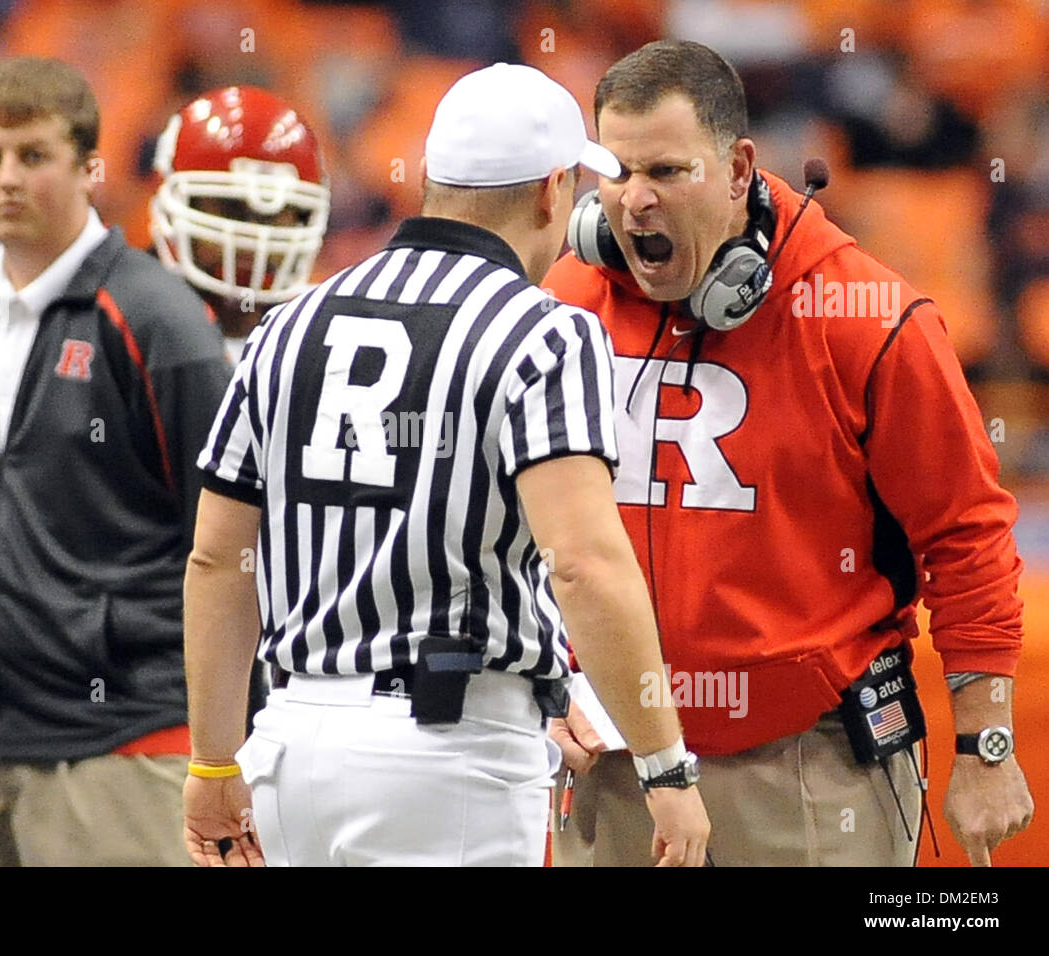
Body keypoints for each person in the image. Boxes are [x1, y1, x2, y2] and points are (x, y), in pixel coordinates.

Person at [181, 62, 711, 868]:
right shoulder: (543, 332)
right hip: (447, 750)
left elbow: (218, 559)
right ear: (550, 192)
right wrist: (664, 763)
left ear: (430, 179)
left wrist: (214, 759)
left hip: (289, 744)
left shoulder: (288, 325)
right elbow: (583, 565)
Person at [546, 40, 1033, 867]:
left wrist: (986, 748)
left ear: (739, 170)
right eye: (616, 172)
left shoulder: (863, 315)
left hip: (809, 773)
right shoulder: (568, 302)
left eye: (666, 171)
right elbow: (510, 523)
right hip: (620, 765)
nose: (633, 203)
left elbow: (968, 535)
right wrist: (544, 679)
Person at [0, 56, 232, 866]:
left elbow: (229, 539)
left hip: (123, 746)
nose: (7, 179)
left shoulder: (155, 317)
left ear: (91, 168)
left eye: (34, 156)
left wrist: (227, 741)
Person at [149, 85, 331, 365]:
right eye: (231, 208)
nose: (251, 237)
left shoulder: (323, 331)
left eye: (274, 215)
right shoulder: (124, 318)